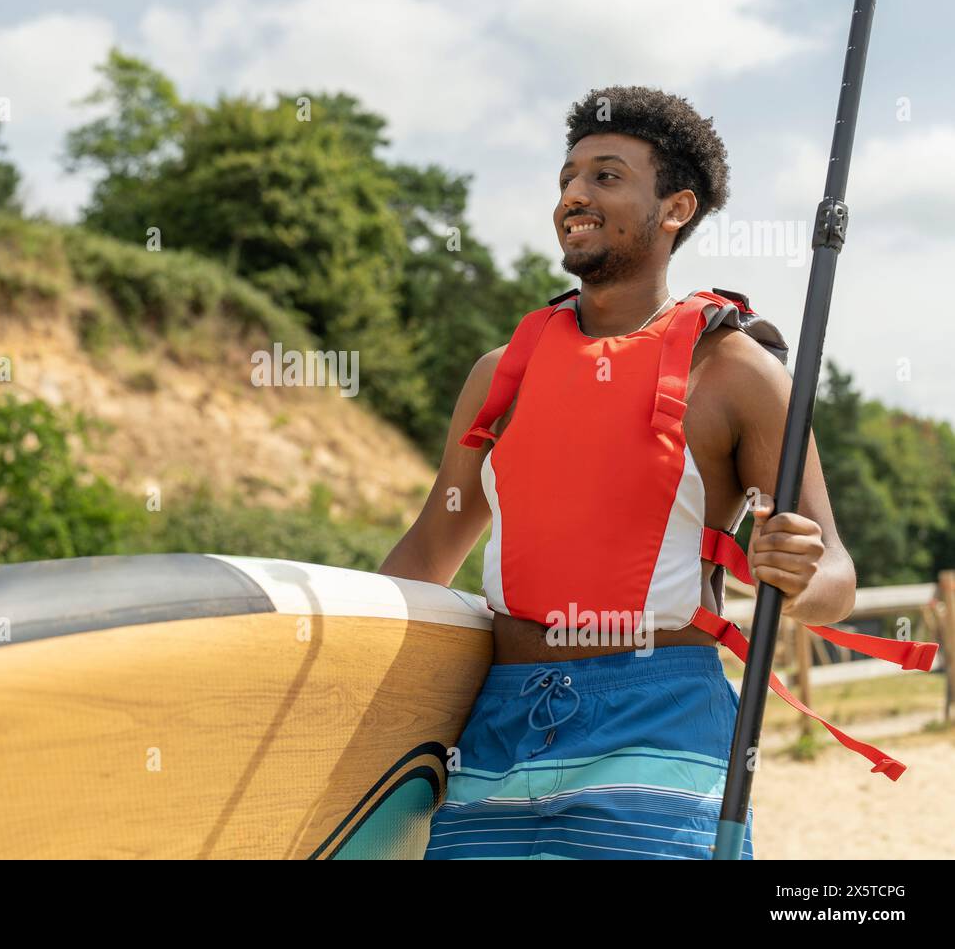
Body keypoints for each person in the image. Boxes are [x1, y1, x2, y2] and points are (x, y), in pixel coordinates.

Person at [380, 84, 925, 860]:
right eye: (567, 177)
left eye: (605, 176)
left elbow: (836, 573)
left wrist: (802, 572)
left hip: (659, 722)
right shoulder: (502, 373)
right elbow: (430, 550)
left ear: (675, 208)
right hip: (493, 732)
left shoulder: (739, 374)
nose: (574, 194)